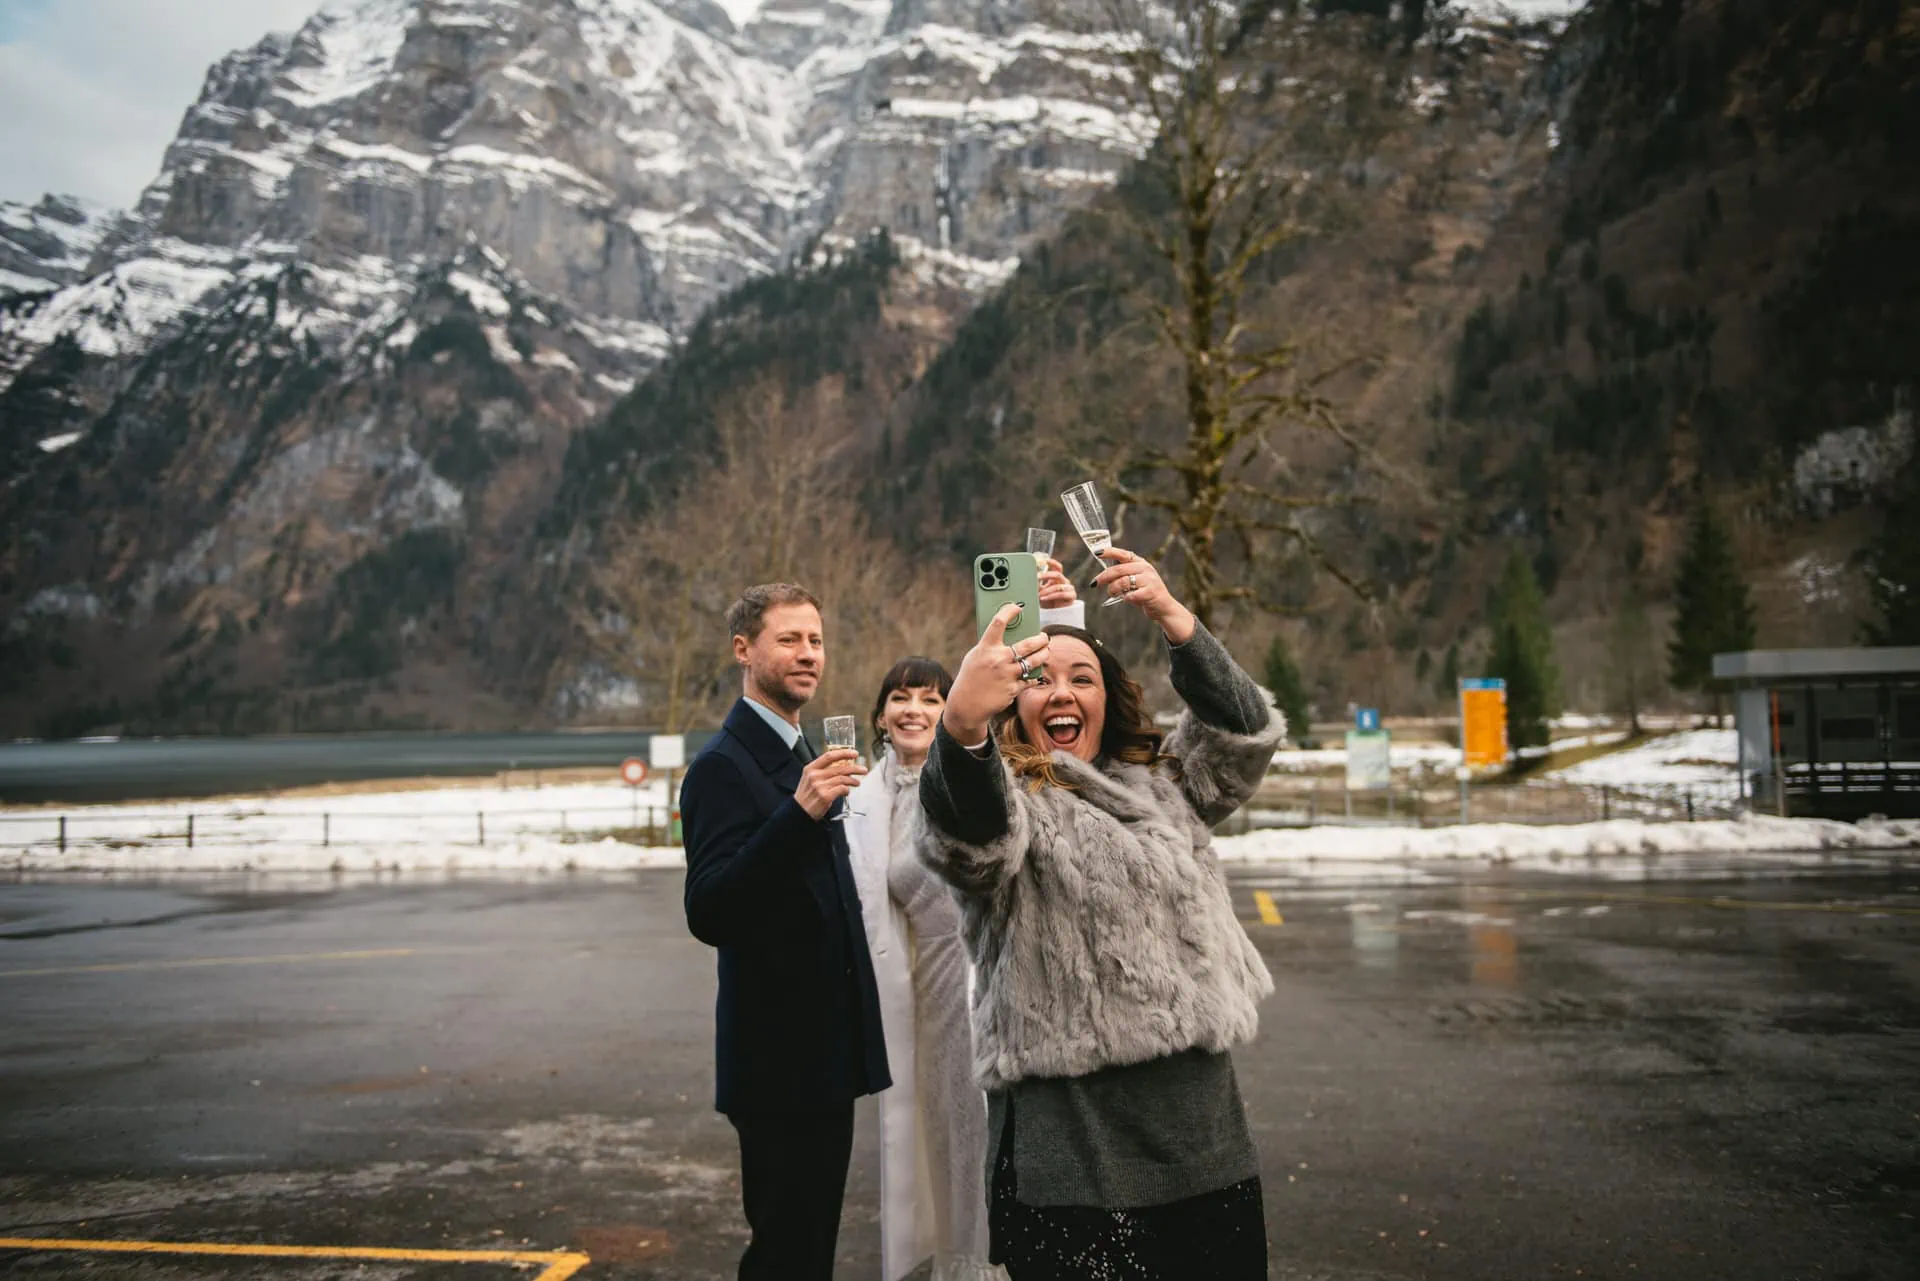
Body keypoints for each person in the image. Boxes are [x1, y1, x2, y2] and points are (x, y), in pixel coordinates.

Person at [914, 546, 1282, 1279]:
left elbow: (1244, 732)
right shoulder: (1010, 799)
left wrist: (1174, 619)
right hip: (1073, 1149)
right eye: (1039, 679)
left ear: (1109, 698)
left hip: (1205, 1133)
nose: (1062, 692)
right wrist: (960, 727)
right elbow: (969, 838)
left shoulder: (1166, 782)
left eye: (1082, 678)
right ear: (1010, 701)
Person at [846, 558, 1076, 1281]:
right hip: (930, 996)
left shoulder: (979, 769)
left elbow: (1053, 711)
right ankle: (962, 1265)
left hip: (1005, 974)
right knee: (949, 1135)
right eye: (900, 698)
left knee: (1015, 1135)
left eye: (931, 696)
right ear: (879, 713)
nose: (914, 708)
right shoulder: (860, 799)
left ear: (952, 707)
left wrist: (1062, 619)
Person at [680, 582, 890, 1281]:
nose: (809, 654)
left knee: (811, 1251)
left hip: (824, 1055)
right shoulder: (720, 767)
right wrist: (796, 814)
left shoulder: (807, 754)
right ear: (744, 649)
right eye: (790, 639)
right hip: (778, 1064)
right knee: (787, 1255)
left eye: (817, 640)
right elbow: (708, 909)